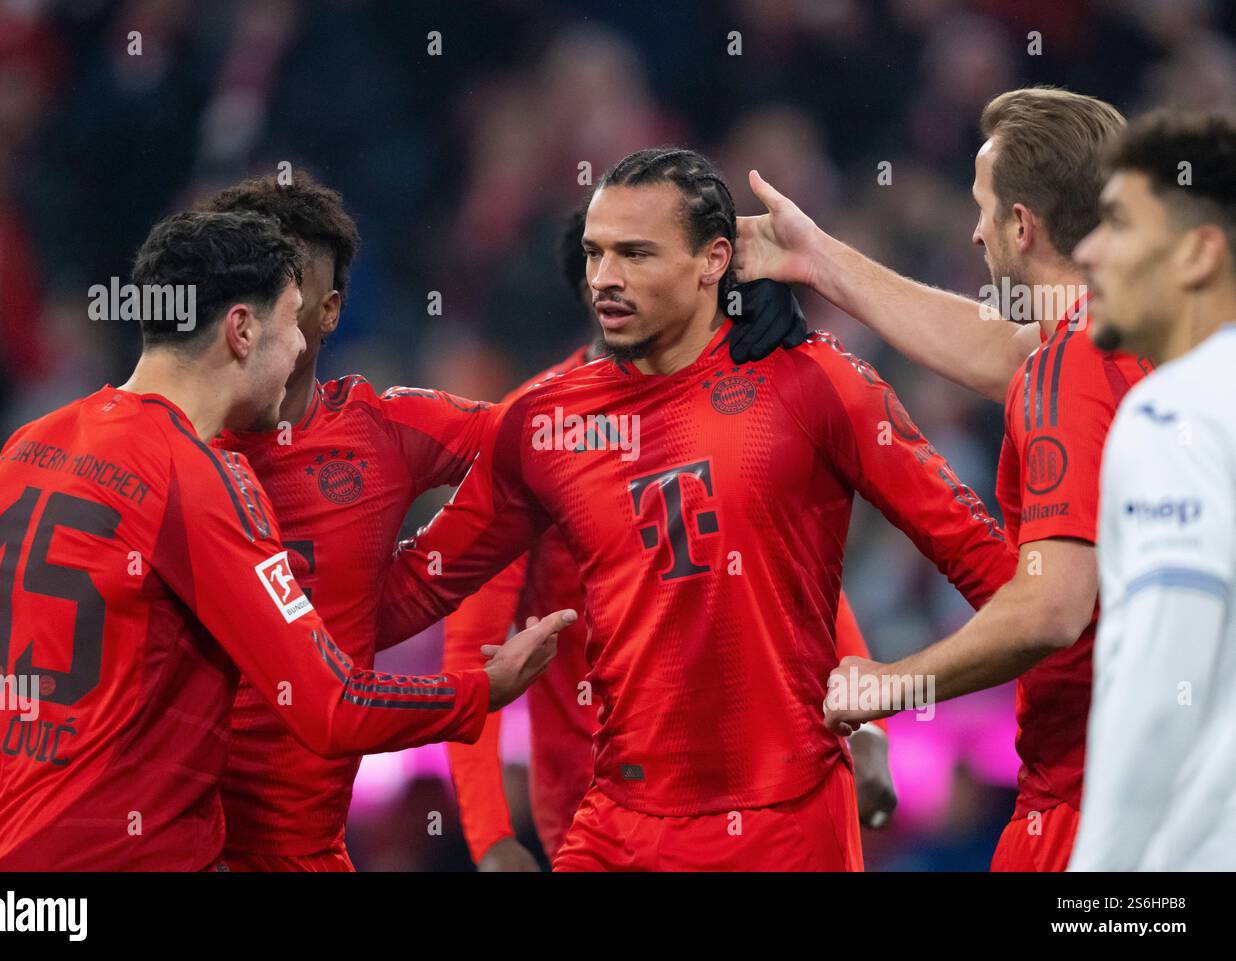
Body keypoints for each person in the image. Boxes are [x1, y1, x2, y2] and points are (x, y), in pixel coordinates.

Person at [377, 147, 1014, 871]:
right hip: (610, 821)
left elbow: (1003, 586)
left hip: (787, 823)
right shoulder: (541, 425)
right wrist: (269, 591)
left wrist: (894, 689)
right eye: (594, 255)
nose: (604, 280)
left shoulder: (815, 386)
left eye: (635, 254)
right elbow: (420, 591)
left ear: (714, 260)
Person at [198, 172, 812, 871]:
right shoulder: (162, 457)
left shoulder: (383, 432)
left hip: (308, 851)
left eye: (289, 289)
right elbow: (333, 703)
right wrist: (481, 716)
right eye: (246, 286)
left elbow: (568, 440)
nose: (262, 311)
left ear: (330, 308)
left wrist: (732, 344)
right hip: (175, 839)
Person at [0, 210, 571, 870]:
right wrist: (482, 687)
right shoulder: (198, 479)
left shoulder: (26, 446)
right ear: (242, 329)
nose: (300, 349)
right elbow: (331, 704)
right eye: (289, 323)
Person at [736, 87, 1149, 871]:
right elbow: (1005, 351)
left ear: (1022, 226)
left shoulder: (1073, 366)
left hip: (1096, 806)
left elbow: (1053, 607)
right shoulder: (1152, 339)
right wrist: (818, 258)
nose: (974, 230)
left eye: (984, 209)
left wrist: (894, 684)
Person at [444, 211, 896, 871]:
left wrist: (871, 720)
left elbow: (794, 579)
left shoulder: (741, 400)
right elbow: (469, 648)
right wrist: (490, 837)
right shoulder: (530, 437)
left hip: (762, 792)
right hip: (601, 808)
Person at [1068, 112, 1236, 870]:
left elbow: (1163, 674)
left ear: (1200, 252)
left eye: (1118, 224)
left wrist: (1098, 893)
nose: (1087, 252)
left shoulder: (1175, 408)